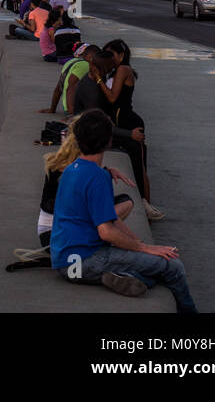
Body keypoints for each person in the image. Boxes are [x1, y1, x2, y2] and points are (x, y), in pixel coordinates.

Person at [50, 110, 196, 312]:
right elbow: (106, 231)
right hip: (87, 260)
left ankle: (129, 277)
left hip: (65, 262)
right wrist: (144, 249)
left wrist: (140, 244)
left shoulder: (72, 169)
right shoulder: (97, 178)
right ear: (108, 141)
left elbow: (110, 219)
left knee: (152, 262)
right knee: (173, 266)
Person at [17, 125, 135, 261]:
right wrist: (138, 244)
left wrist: (107, 171)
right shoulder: (65, 169)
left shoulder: (75, 167)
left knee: (125, 202)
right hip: (53, 235)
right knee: (104, 213)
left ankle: (113, 236)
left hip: (69, 226)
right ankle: (123, 240)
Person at [71, 49, 160, 220]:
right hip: (89, 135)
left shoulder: (96, 81)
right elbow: (98, 125)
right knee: (134, 146)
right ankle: (142, 201)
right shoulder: (92, 91)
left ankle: (144, 199)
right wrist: (129, 134)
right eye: (112, 67)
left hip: (96, 128)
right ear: (104, 69)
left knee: (139, 149)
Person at [101, 39, 161, 220]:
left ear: (121, 55)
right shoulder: (114, 70)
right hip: (122, 121)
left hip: (130, 121)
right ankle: (145, 204)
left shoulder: (123, 70)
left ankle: (146, 204)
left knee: (140, 165)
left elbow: (112, 98)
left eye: (112, 54)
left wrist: (97, 79)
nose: (109, 58)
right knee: (137, 163)